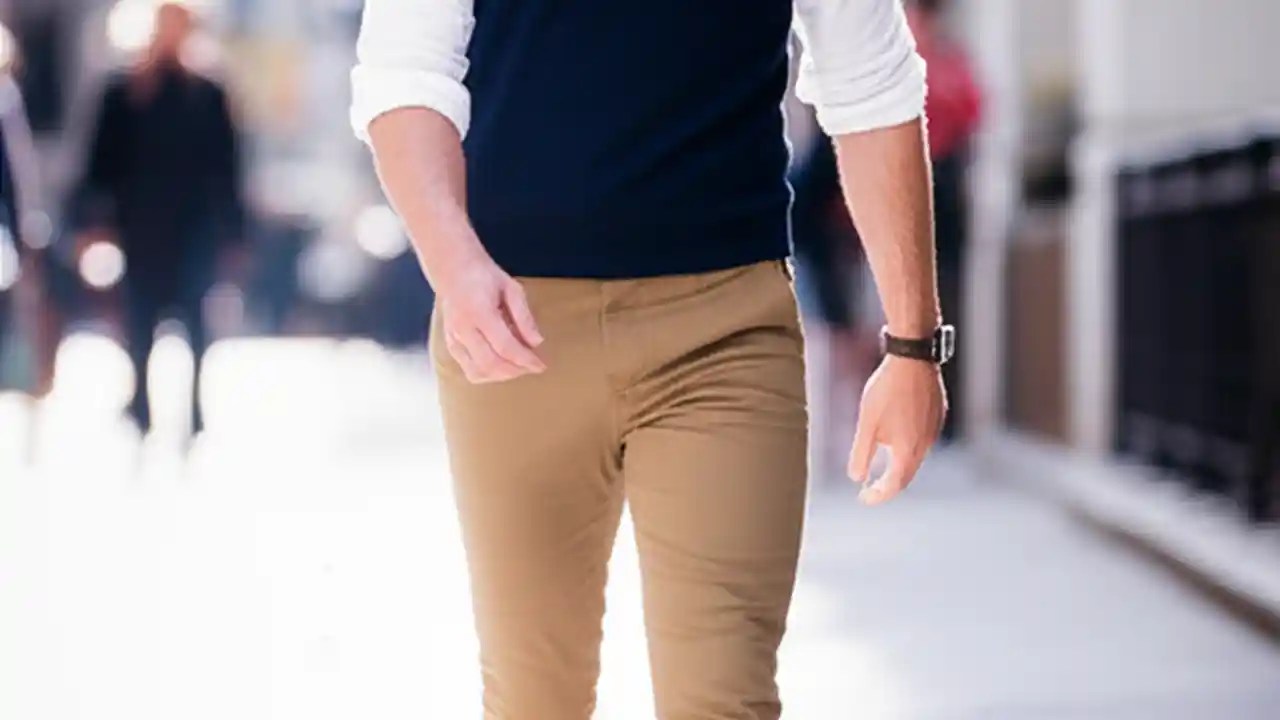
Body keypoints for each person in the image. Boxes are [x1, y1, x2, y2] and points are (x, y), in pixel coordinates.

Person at [351, 0, 950, 716]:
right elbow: (403, 72)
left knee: (723, 697)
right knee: (534, 697)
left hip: (724, 333)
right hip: (514, 328)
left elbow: (872, 82)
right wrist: (453, 264)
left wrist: (915, 346)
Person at [77, 2, 243, 439]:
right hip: (140, 230)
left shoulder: (208, 94)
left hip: (195, 230)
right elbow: (99, 167)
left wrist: (234, 233)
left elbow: (228, 169)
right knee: (139, 322)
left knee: (197, 324)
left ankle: (194, 409)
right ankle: (141, 406)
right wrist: (92, 226)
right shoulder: (122, 92)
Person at [909, 0, 983, 441]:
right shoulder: (912, 50)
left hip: (944, 190)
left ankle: (942, 409)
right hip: (916, 183)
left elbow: (973, 111)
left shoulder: (951, 59)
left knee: (948, 302)